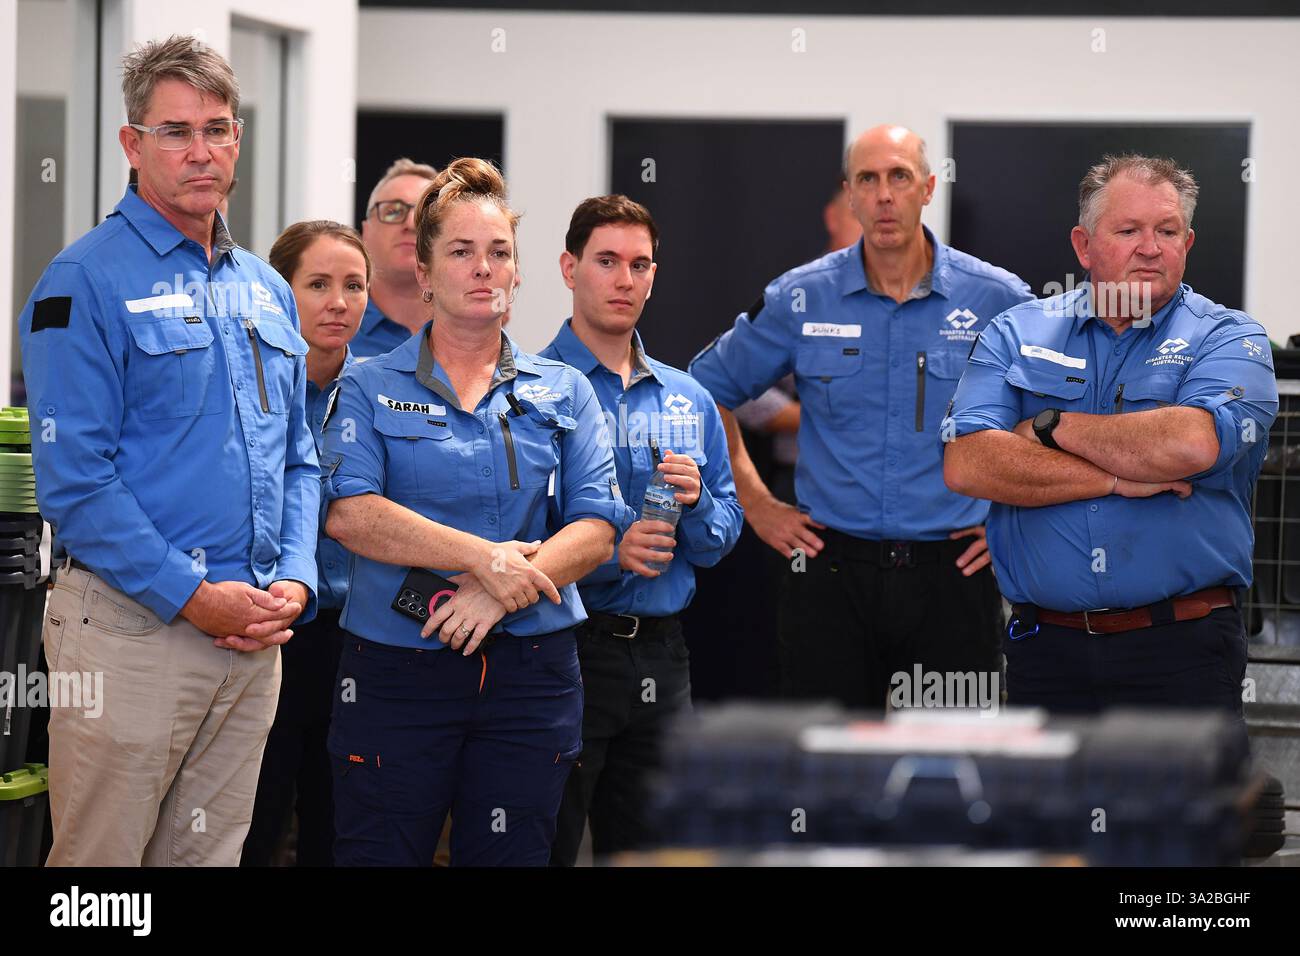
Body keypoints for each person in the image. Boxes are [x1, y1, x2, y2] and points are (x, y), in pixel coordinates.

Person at [19, 35, 318, 866]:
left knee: (208, 859)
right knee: (103, 874)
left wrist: (294, 575)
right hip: (130, 633)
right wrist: (193, 595)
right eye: (176, 132)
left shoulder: (265, 289)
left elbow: (298, 455)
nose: (201, 152)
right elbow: (75, 483)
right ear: (131, 144)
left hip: (252, 637)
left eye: (218, 130)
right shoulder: (81, 282)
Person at [320, 157, 625, 866]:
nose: (483, 268)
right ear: (424, 273)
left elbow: (598, 528)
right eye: (461, 252)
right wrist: (480, 558)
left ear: (519, 273)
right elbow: (351, 515)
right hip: (396, 670)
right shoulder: (367, 386)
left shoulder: (565, 391)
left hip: (530, 673)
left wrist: (496, 595)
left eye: (499, 253)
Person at [688, 124, 1033, 711]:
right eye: (867, 180)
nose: (883, 195)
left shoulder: (995, 298)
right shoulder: (802, 297)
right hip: (829, 577)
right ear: (848, 195)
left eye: (899, 177)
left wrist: (1014, 525)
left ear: (927, 189)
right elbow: (702, 392)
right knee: (828, 777)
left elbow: (1053, 415)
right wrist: (756, 504)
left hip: (953, 578)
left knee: (943, 779)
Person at [943, 154, 1277, 717]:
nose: (1151, 247)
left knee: (1182, 809)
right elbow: (969, 463)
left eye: (1167, 231)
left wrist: (1049, 426)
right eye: (1129, 231)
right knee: (1047, 809)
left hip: (1183, 651)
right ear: (1083, 245)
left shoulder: (1227, 337)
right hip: (1045, 653)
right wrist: (1116, 478)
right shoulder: (1016, 331)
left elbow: (1193, 444)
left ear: (1187, 243)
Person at [540, 196, 743, 864]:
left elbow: (720, 541)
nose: (624, 279)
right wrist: (604, 554)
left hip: (664, 657)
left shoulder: (689, 397)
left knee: (654, 851)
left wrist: (695, 507)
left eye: (639, 264)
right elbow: (507, 529)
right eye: (606, 261)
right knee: (548, 845)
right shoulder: (531, 386)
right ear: (570, 268)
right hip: (563, 646)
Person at [243, 221, 371, 866]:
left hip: (360, 631)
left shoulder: (382, 391)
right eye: (317, 285)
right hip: (270, 623)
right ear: (279, 290)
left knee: (341, 817)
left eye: (354, 285)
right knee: (257, 812)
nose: (338, 302)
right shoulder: (253, 385)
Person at [353, 157, 439, 356]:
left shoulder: (469, 331)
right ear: (365, 231)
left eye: (424, 214)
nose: (411, 224)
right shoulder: (335, 328)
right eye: (392, 211)